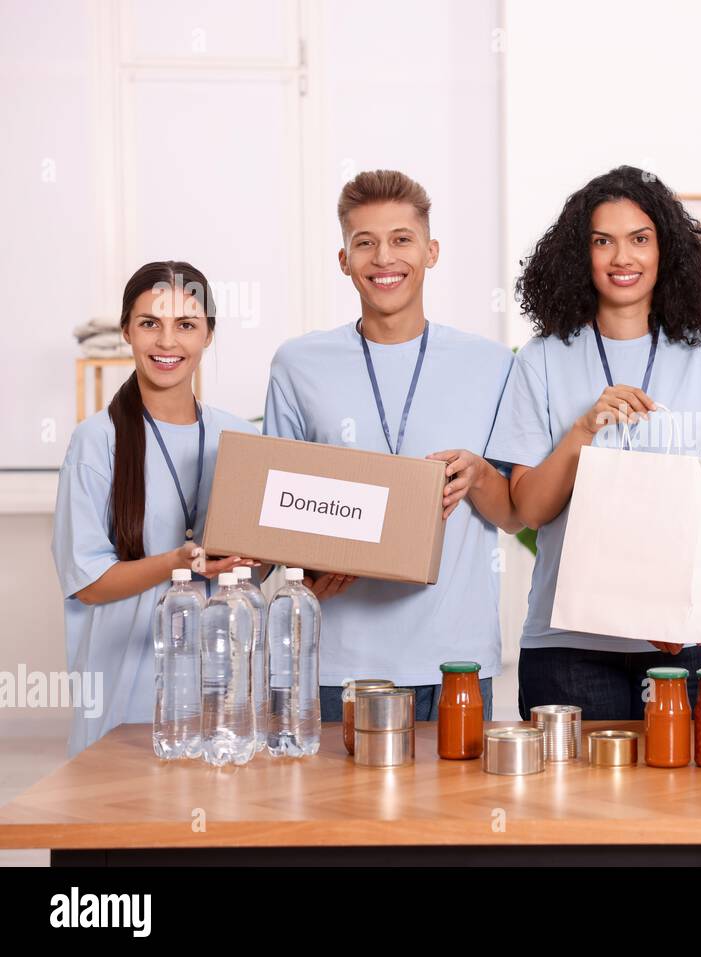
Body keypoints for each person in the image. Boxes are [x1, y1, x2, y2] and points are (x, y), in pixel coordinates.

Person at [485, 166, 701, 719]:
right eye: (602, 241)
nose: (622, 258)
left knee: (691, 780)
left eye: (639, 239)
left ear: (665, 250)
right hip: (567, 642)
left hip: (685, 634)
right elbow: (528, 509)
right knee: (573, 782)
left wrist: (671, 596)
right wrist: (582, 432)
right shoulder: (541, 358)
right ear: (578, 254)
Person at [263, 170, 519, 722]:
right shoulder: (298, 364)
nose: (384, 258)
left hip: (455, 660)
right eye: (365, 243)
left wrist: (478, 474)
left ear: (431, 251)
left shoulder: (492, 364)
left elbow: (515, 515)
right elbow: (274, 513)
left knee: (455, 786)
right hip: (335, 662)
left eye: (402, 239)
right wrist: (306, 571)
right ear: (344, 259)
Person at [52, 261, 259, 755]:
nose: (167, 342)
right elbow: (88, 583)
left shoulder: (241, 437)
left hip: (222, 703)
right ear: (127, 330)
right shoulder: (96, 441)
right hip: (125, 701)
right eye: (150, 323)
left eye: (185, 325)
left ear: (208, 335)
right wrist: (176, 562)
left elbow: (259, 561)